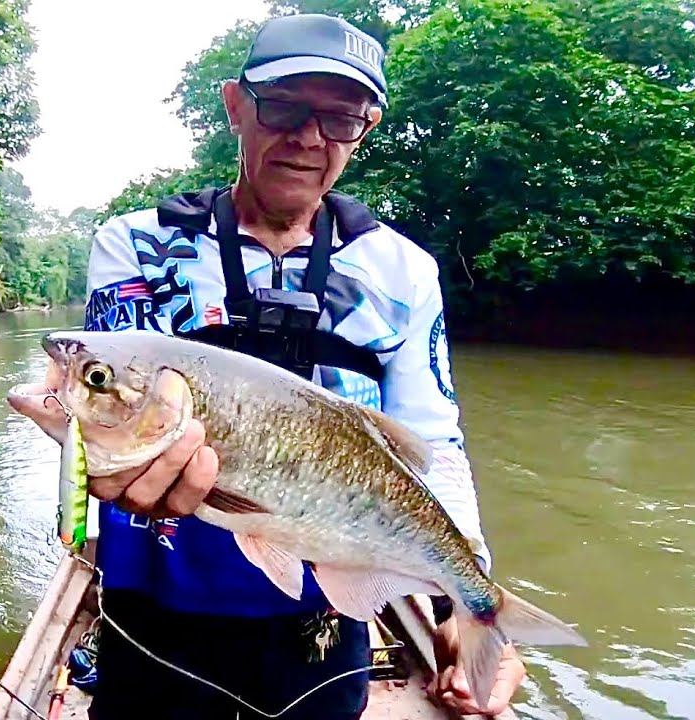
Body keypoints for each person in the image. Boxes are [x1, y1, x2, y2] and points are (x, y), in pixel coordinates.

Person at [79, 12, 526, 719]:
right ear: (235, 106)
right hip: (154, 609)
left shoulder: (402, 270)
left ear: (365, 130)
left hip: (320, 620)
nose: (309, 138)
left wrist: (465, 600)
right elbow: (112, 404)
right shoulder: (136, 244)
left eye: (340, 119)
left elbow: (433, 445)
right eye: (285, 107)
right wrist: (104, 464)